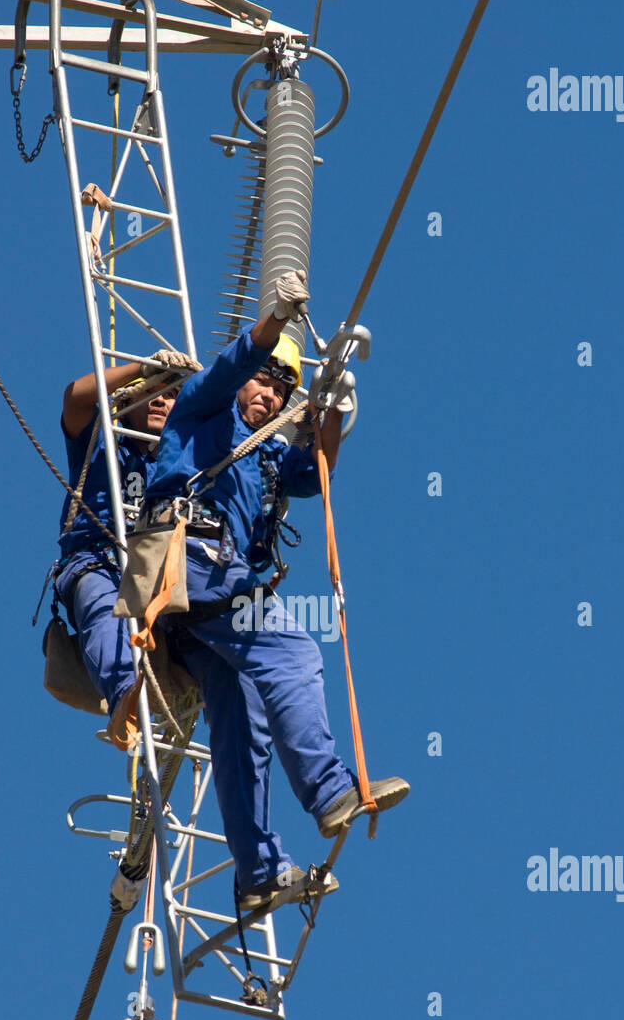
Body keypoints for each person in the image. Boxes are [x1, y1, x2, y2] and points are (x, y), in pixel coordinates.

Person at [108, 269, 409, 912]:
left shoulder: (267, 455)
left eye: (282, 391)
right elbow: (234, 361)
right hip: (190, 562)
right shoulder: (202, 408)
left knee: (243, 720)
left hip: (197, 604)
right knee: (293, 654)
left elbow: (316, 468)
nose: (269, 398)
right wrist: (274, 319)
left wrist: (335, 406)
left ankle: (258, 872)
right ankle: (330, 790)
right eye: (266, 380)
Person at [54, 360, 177, 717]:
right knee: (105, 610)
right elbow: (76, 397)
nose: (158, 401)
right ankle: (126, 697)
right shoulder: (101, 446)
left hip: (160, 574)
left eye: (169, 396)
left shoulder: (181, 468)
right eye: (148, 393)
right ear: (125, 405)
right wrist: (143, 367)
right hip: (97, 562)